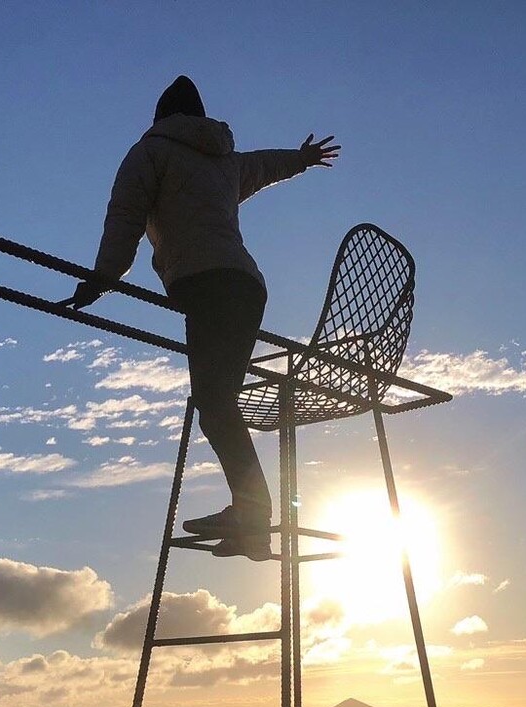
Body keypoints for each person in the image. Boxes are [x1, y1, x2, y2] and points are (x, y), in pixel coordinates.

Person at [67, 76, 339, 560]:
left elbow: (125, 217)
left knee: (214, 404)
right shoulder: (224, 160)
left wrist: (101, 278)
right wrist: (301, 159)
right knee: (217, 405)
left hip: (205, 284)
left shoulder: (149, 153)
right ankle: (252, 523)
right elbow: (266, 165)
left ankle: (253, 515)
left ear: (160, 118)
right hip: (247, 288)